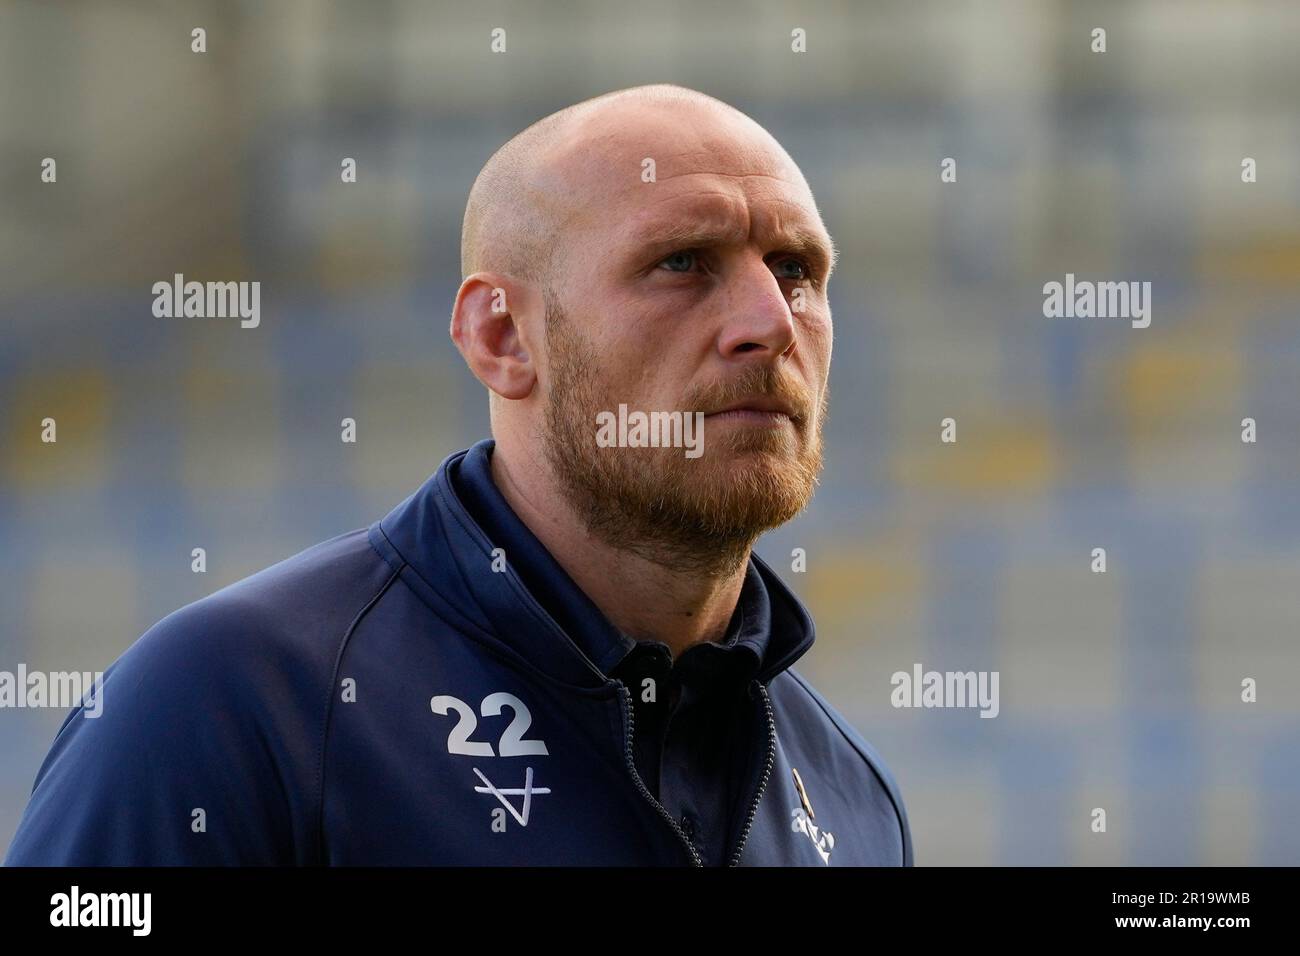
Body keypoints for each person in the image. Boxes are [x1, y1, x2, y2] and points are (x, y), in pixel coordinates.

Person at [4, 84, 911, 866]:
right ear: (503, 338)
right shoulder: (231, 704)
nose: (770, 321)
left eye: (796, 269)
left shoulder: (852, 794)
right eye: (680, 263)